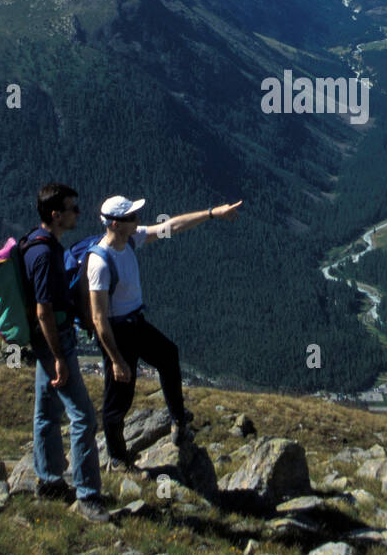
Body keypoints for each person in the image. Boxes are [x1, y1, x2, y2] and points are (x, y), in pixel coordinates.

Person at [88, 194, 242, 472]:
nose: (137, 220)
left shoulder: (130, 240)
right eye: (131, 217)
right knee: (118, 399)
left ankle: (178, 422)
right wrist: (116, 359)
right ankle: (117, 459)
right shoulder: (99, 263)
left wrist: (212, 213)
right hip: (117, 333)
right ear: (114, 224)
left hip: (136, 323)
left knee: (168, 355)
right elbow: (99, 318)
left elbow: (170, 226)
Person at [22, 183, 108, 522]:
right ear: (56, 214)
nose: (79, 213)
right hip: (56, 340)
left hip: (45, 341)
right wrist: (59, 356)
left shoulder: (35, 242)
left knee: (46, 411)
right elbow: (44, 310)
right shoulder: (45, 254)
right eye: (73, 208)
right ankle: (87, 495)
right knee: (83, 417)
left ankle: (49, 481)